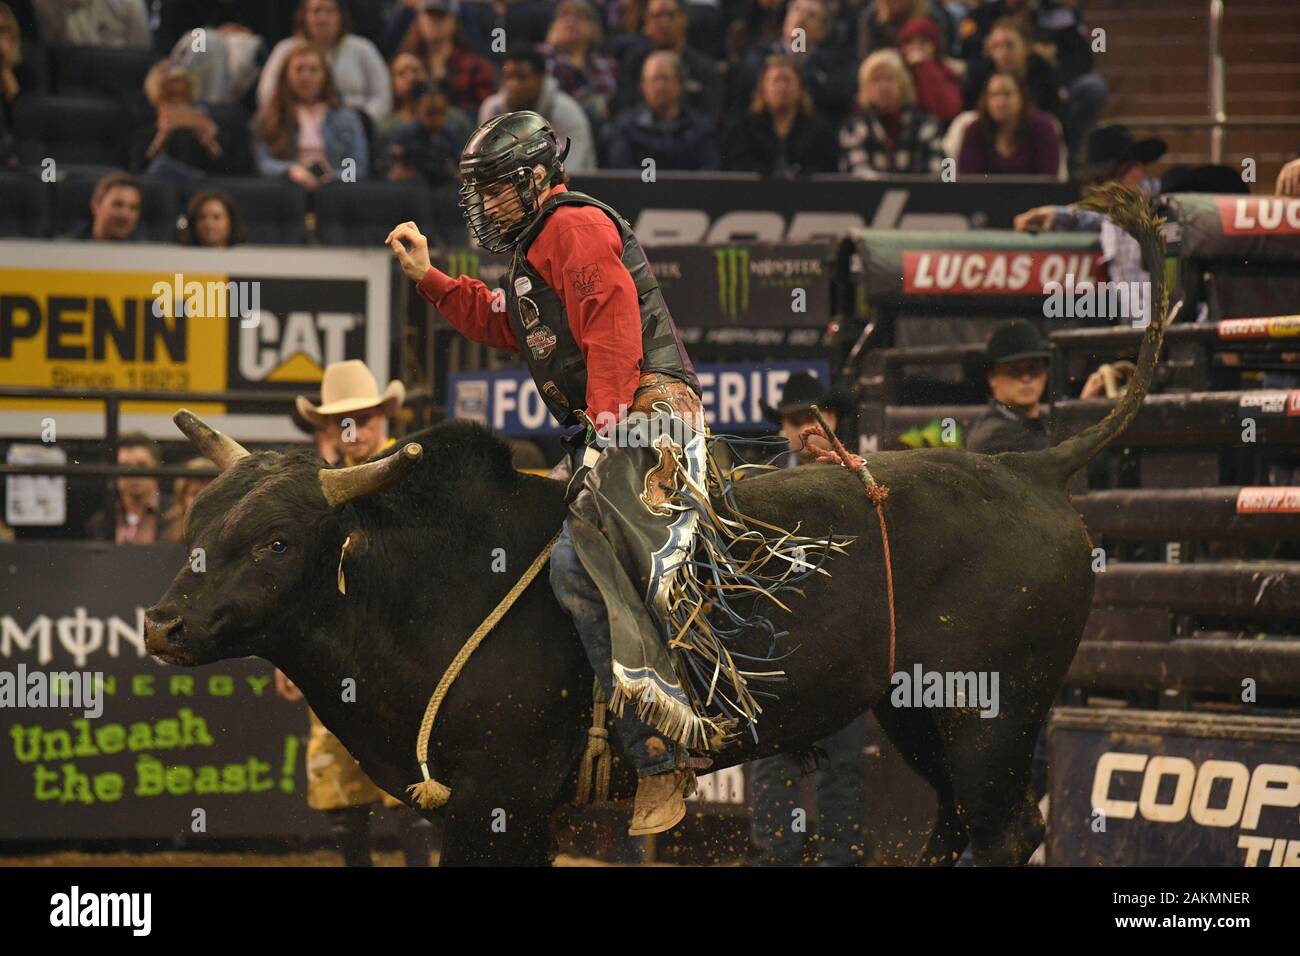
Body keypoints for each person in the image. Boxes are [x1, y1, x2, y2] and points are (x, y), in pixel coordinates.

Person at [386, 111, 709, 836]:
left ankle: (657, 757)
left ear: (537, 178)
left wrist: (601, 428)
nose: (487, 206)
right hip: (622, 416)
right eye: (482, 193)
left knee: (573, 565)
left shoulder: (574, 228)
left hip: (648, 412)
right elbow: (510, 320)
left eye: (497, 190)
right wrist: (430, 277)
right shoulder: (540, 245)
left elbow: (614, 329)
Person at [284, 359, 436, 867]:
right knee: (342, 781)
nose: (355, 429)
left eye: (364, 417)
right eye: (343, 420)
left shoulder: (413, 480)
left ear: (383, 420)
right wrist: (289, 655)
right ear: (329, 430)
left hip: (403, 651)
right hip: (334, 653)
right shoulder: (311, 494)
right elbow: (295, 580)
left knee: (411, 776)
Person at [748, 371, 869, 865]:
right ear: (783, 430)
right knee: (775, 765)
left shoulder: (863, 481)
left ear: (833, 420)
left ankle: (839, 860)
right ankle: (777, 858)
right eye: (794, 421)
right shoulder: (763, 489)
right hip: (784, 655)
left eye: (811, 419)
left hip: (842, 651)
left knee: (841, 767)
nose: (804, 430)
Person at [1014, 124, 1166, 299]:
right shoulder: (1115, 217)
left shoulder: (1167, 207)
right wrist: (1057, 215)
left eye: (1105, 179)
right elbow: (1102, 217)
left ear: (1135, 170)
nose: (1100, 190)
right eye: (1095, 182)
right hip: (1137, 321)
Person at [253, 41, 371, 189]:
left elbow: (357, 168)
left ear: (324, 76)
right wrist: (291, 170)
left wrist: (332, 177)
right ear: (286, 75)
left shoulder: (347, 117)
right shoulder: (268, 116)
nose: (306, 77)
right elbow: (262, 164)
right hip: (288, 190)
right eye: (299, 70)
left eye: (313, 70)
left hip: (334, 192)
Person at [257, 0, 392, 127]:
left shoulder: (363, 48)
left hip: (358, 127)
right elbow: (267, 93)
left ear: (341, 16)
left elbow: (383, 95)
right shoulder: (285, 49)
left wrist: (363, 121)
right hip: (295, 127)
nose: (323, 18)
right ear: (304, 16)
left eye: (330, 11)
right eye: (316, 11)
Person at [730, 0, 854, 119]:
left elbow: (839, 99)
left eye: (811, 15)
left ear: (822, 31)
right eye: (797, 10)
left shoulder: (834, 64)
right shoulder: (759, 55)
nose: (801, 17)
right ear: (786, 17)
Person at [478, 47, 596, 172]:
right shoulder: (493, 110)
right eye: (508, 77)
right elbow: (486, 168)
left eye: (521, 77)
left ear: (541, 78)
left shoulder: (567, 113)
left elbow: (569, 171)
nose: (514, 85)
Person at [722, 53, 837, 177]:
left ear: (800, 88)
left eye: (787, 80)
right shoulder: (743, 129)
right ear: (763, 88)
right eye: (775, 81)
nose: (781, 88)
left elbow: (825, 168)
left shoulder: (819, 130)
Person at [601, 49, 718, 170]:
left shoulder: (701, 128)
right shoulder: (625, 128)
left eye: (665, 79)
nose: (659, 87)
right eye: (653, 79)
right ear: (643, 86)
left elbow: (708, 172)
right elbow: (621, 172)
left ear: (680, 84)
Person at [838, 49, 944, 176]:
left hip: (920, 195)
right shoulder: (854, 127)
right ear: (865, 88)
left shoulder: (926, 125)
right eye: (876, 80)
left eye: (889, 78)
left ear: (903, 84)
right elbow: (856, 173)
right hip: (868, 196)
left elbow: (935, 172)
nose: (883, 87)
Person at [614, 0, 721, 119]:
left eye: (670, 15)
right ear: (647, 24)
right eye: (657, 16)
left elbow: (711, 116)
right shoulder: (634, 63)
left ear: (684, 19)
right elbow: (624, 110)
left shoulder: (705, 69)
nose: (664, 22)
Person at [395, 0, 496, 116]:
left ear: (455, 22)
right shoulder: (406, 63)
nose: (435, 22)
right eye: (430, 15)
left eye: (441, 16)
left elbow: (483, 113)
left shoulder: (476, 66)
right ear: (418, 20)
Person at [130, 60, 225, 182]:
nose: (177, 101)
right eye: (170, 96)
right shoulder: (144, 132)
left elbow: (224, 176)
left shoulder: (200, 132)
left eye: (183, 96)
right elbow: (137, 171)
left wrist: (210, 143)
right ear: (158, 99)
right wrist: (161, 137)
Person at [956, 70, 1060, 177]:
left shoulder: (1043, 129)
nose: (1001, 103)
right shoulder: (975, 130)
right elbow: (968, 182)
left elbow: (1048, 181)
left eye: (1007, 94)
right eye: (994, 95)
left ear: (1022, 97)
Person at [540, 0, 619, 127]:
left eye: (580, 16)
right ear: (552, 26)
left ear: (594, 29)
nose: (571, 21)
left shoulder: (607, 65)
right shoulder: (539, 58)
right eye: (564, 15)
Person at [85, 433, 163, 543]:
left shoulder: (176, 517)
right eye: (125, 467)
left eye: (142, 465)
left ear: (157, 468)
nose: (134, 474)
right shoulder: (99, 523)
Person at [897, 15, 961, 125]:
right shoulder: (896, 72)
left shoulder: (946, 72)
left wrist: (925, 67)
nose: (916, 47)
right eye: (909, 42)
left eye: (923, 42)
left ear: (934, 47)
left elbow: (948, 111)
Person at [73, 171, 142, 241]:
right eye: (117, 205)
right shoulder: (68, 246)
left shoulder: (146, 248)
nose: (125, 214)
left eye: (133, 208)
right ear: (96, 205)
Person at [160, 457, 214, 543]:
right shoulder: (165, 528)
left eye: (210, 493)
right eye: (195, 493)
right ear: (182, 498)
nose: (203, 500)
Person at [177, 188, 247, 247]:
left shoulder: (246, 256)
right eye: (202, 217)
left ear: (230, 221)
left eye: (216, 217)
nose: (209, 224)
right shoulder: (181, 256)